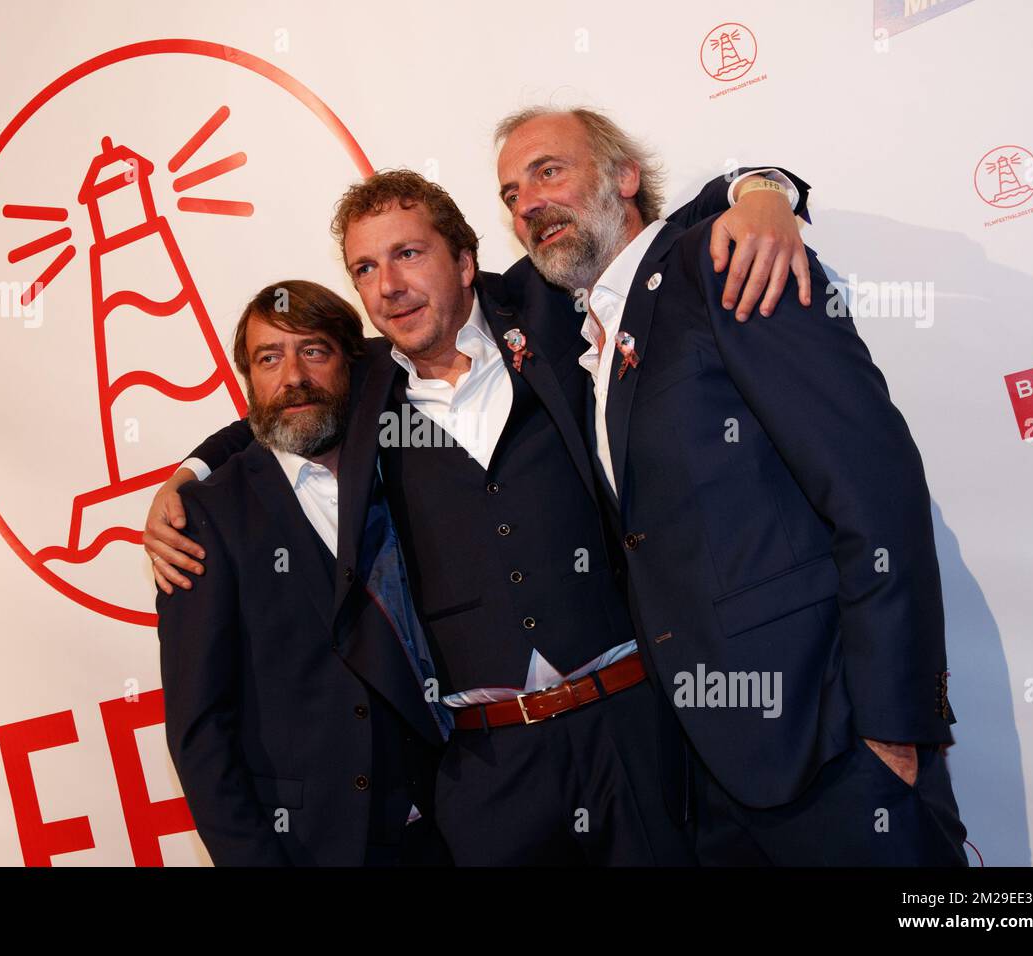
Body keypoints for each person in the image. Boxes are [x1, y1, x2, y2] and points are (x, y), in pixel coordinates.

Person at [151, 164, 812, 864]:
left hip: (633, 729)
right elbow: (280, 407)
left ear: (466, 260)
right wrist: (188, 473)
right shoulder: (366, 382)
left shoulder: (546, 309)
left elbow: (650, 238)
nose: (389, 285)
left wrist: (761, 191)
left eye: (408, 254)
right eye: (366, 268)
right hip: (487, 772)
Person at [494, 106, 968, 865]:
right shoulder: (584, 341)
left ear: (624, 176)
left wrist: (896, 721)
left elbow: (874, 485)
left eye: (549, 170)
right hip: (714, 778)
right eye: (511, 193)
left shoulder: (721, 257)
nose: (527, 202)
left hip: (837, 747)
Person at [157, 280, 451, 866]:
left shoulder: (407, 455)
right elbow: (201, 732)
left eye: (313, 351)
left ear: (353, 362)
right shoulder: (207, 518)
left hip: (464, 820)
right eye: (269, 358)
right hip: (322, 848)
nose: (292, 376)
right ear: (248, 379)